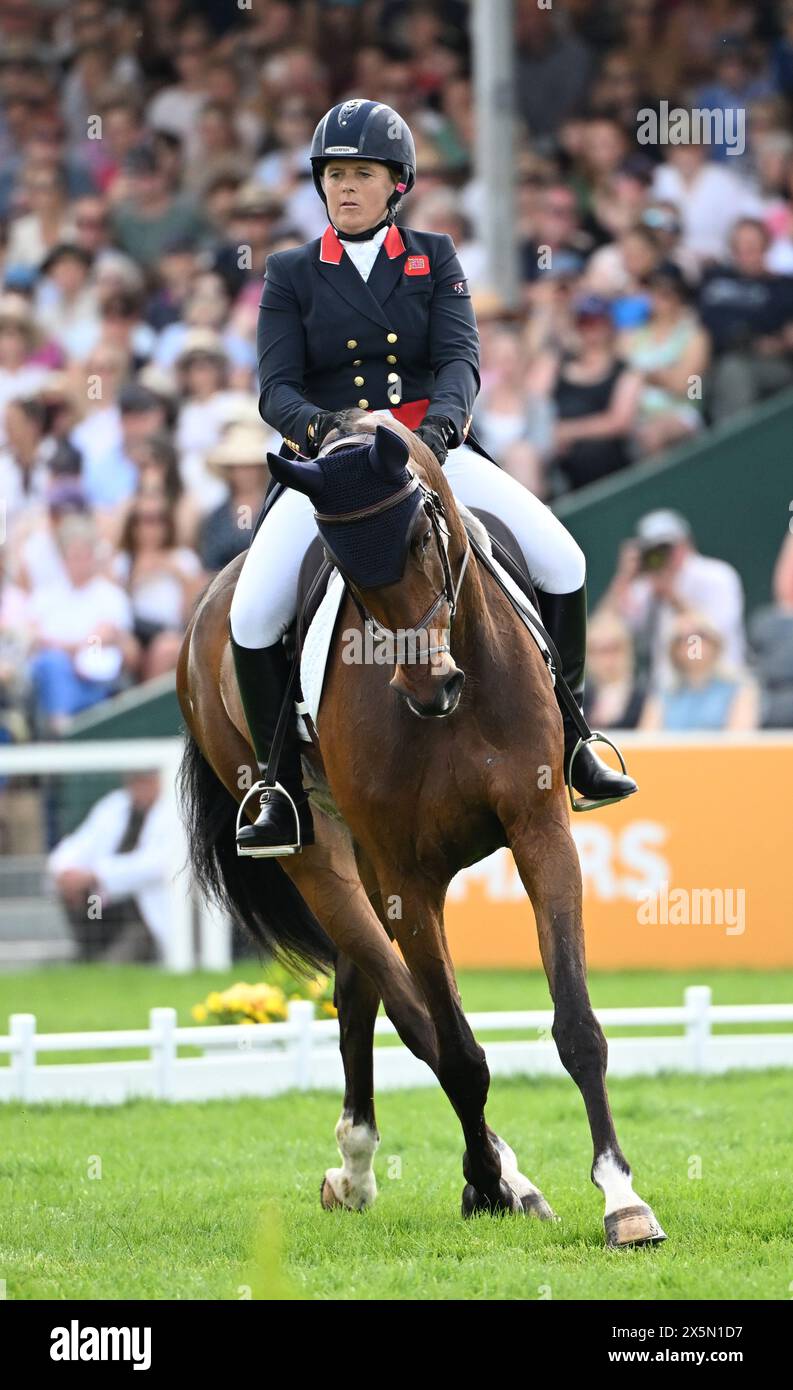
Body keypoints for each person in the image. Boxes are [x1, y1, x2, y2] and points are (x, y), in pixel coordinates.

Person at [228, 100, 638, 857]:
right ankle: (278, 785)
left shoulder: (433, 256)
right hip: (335, 468)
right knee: (251, 613)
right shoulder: (289, 272)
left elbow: (458, 361)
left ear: (396, 185)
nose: (344, 187)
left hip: (433, 453)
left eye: (362, 174)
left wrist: (437, 435)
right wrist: (331, 434)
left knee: (562, 559)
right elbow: (275, 389)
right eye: (334, 174)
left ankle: (573, 737)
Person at [602, 509, 746, 693]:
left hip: (721, 684)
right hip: (667, 691)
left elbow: (715, 634)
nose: (661, 556)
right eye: (653, 549)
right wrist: (624, 577)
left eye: (666, 547)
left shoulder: (717, 575)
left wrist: (673, 597)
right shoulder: (646, 586)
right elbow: (606, 629)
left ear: (687, 543)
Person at [48, 771, 170, 962]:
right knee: (88, 903)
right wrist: (66, 872)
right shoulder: (116, 805)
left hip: (141, 907)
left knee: (122, 954)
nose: (138, 787)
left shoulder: (172, 809)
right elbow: (82, 843)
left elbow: (157, 864)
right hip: (103, 900)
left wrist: (97, 875)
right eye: (134, 781)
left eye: (145, 781)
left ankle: (117, 956)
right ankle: (91, 951)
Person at [639, 610, 758, 731]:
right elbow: (647, 742)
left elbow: (740, 742)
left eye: (699, 636)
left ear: (715, 643)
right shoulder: (663, 693)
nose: (692, 645)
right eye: (682, 639)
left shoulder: (739, 688)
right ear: (673, 650)